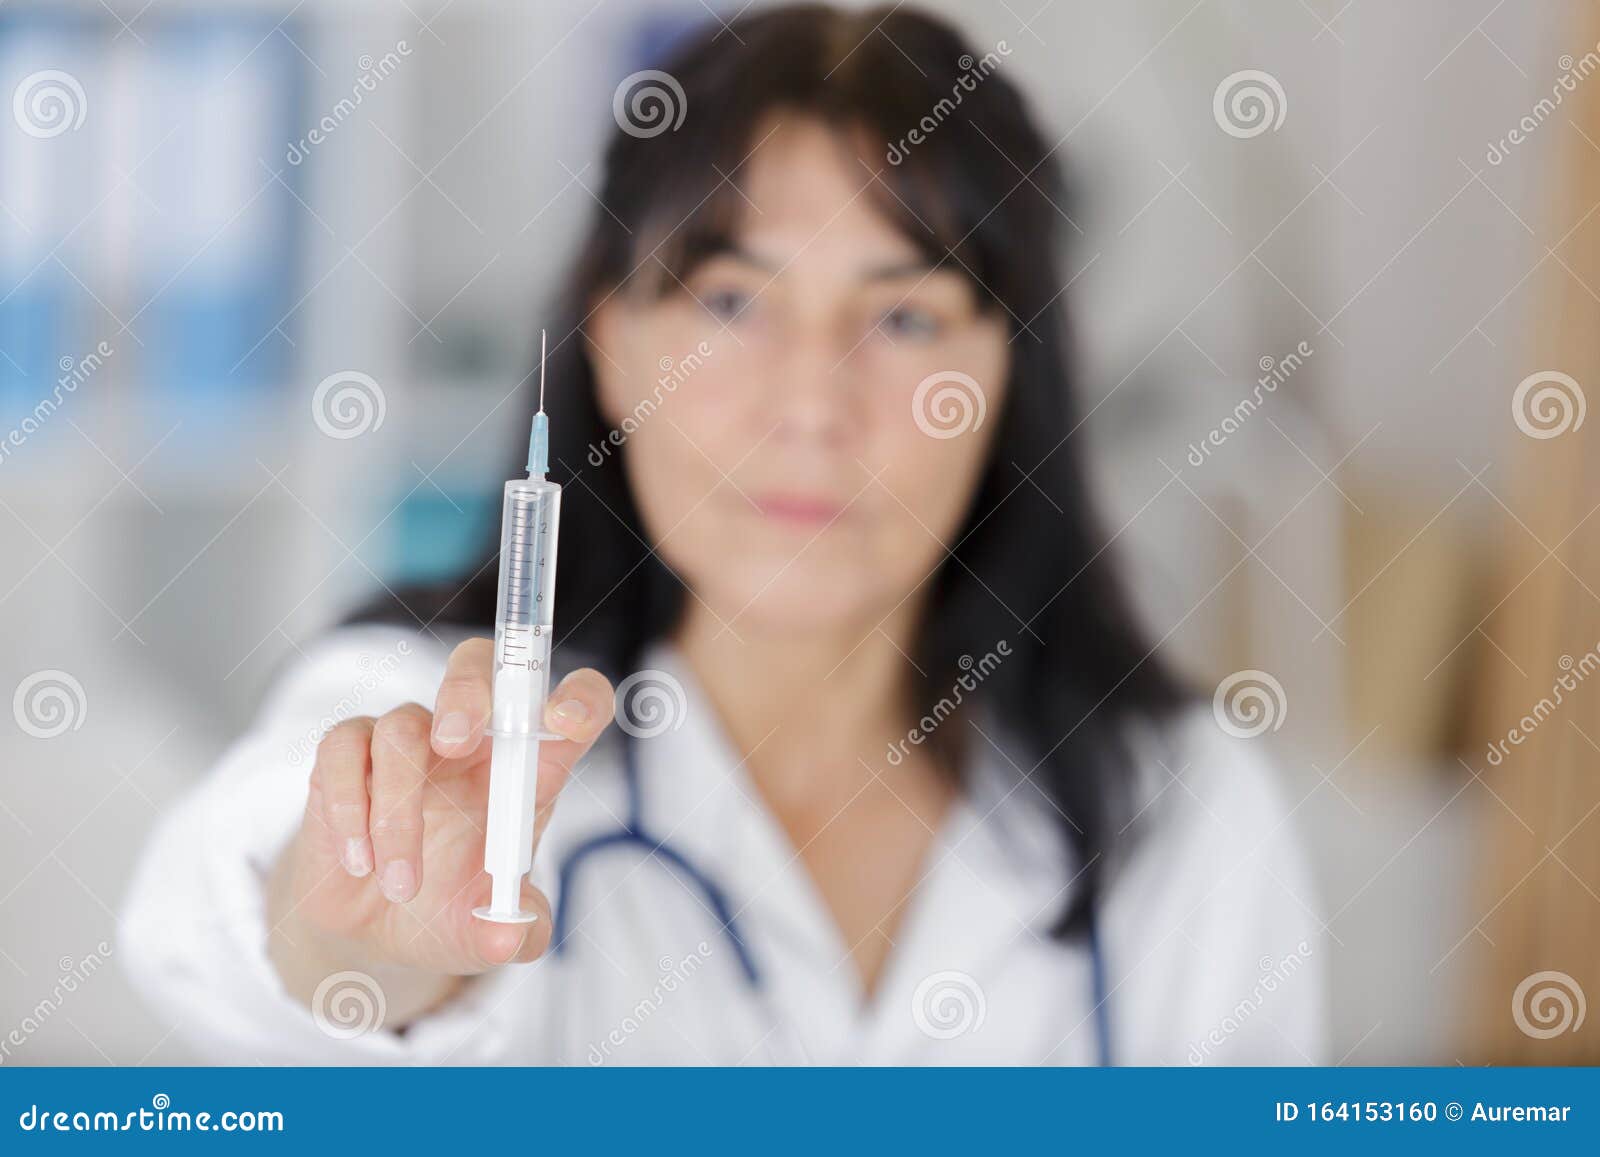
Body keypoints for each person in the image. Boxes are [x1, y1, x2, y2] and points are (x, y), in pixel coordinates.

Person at [120, 2, 1323, 1065]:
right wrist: (366, 938)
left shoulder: (1187, 808)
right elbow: (230, 942)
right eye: (733, 302)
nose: (810, 403)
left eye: (903, 316)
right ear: (611, 336)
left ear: (1012, 373)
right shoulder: (426, 713)